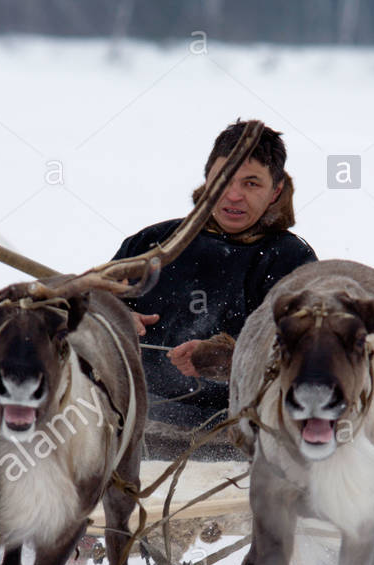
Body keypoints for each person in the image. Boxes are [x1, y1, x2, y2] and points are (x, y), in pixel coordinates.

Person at [112, 120, 317, 458]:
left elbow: (307, 362)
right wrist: (114, 315)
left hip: (240, 445)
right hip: (134, 434)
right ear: (207, 180)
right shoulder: (152, 243)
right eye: (223, 180)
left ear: (276, 191)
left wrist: (230, 361)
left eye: (251, 183)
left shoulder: (292, 262)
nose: (233, 195)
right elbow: (84, 310)